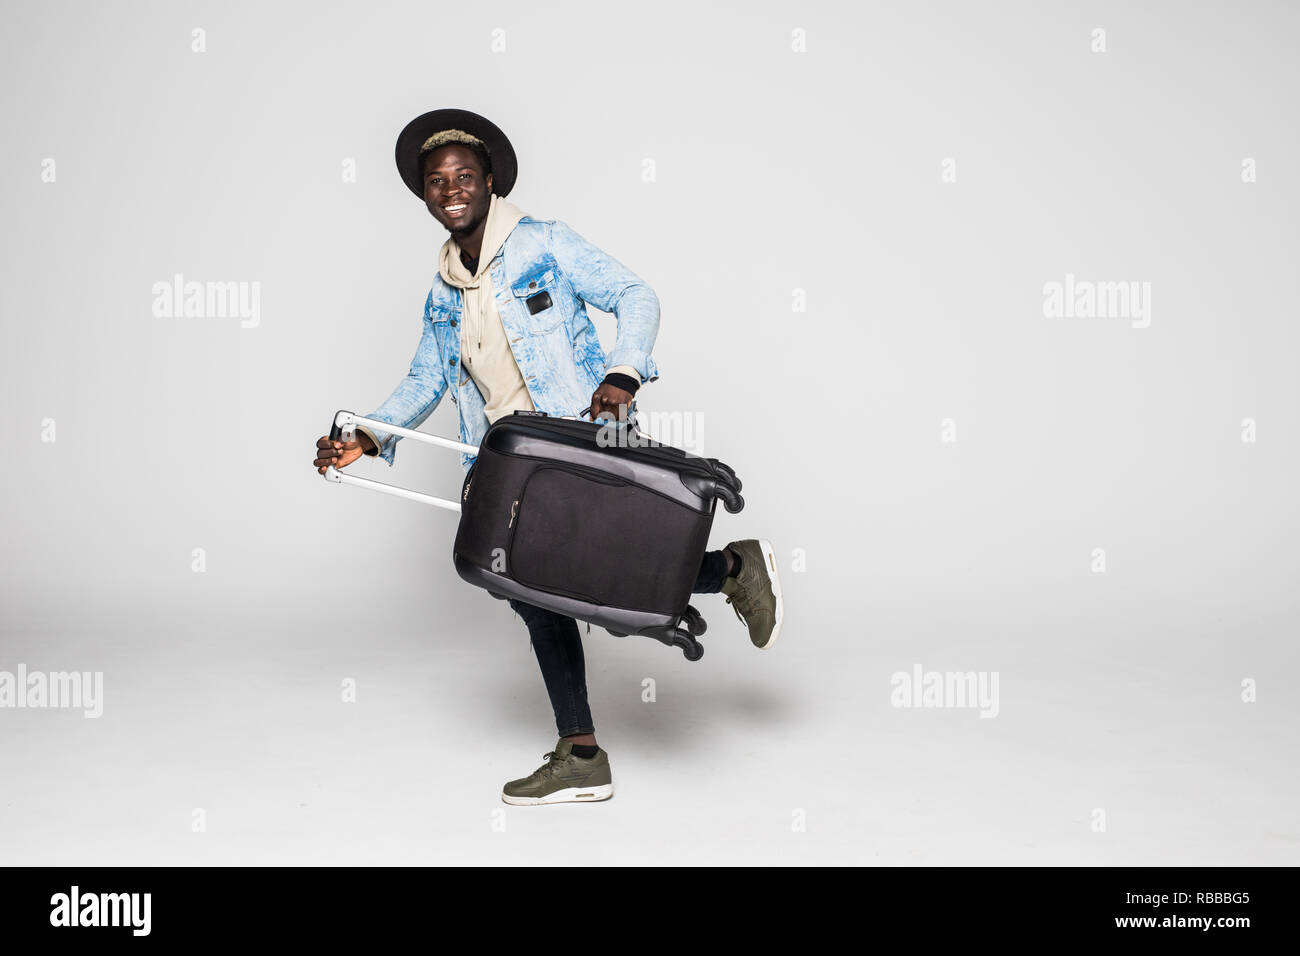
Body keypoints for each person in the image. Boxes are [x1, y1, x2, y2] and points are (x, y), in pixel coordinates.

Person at [312, 109, 784, 805]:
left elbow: (635, 295)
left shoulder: (544, 245)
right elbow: (426, 380)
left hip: (576, 443)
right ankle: (583, 753)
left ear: (490, 180)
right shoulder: (443, 292)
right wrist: (368, 435)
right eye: (437, 181)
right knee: (536, 593)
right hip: (504, 466)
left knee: (610, 574)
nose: (451, 189)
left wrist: (623, 373)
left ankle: (732, 570)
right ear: (425, 196)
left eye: (464, 175)